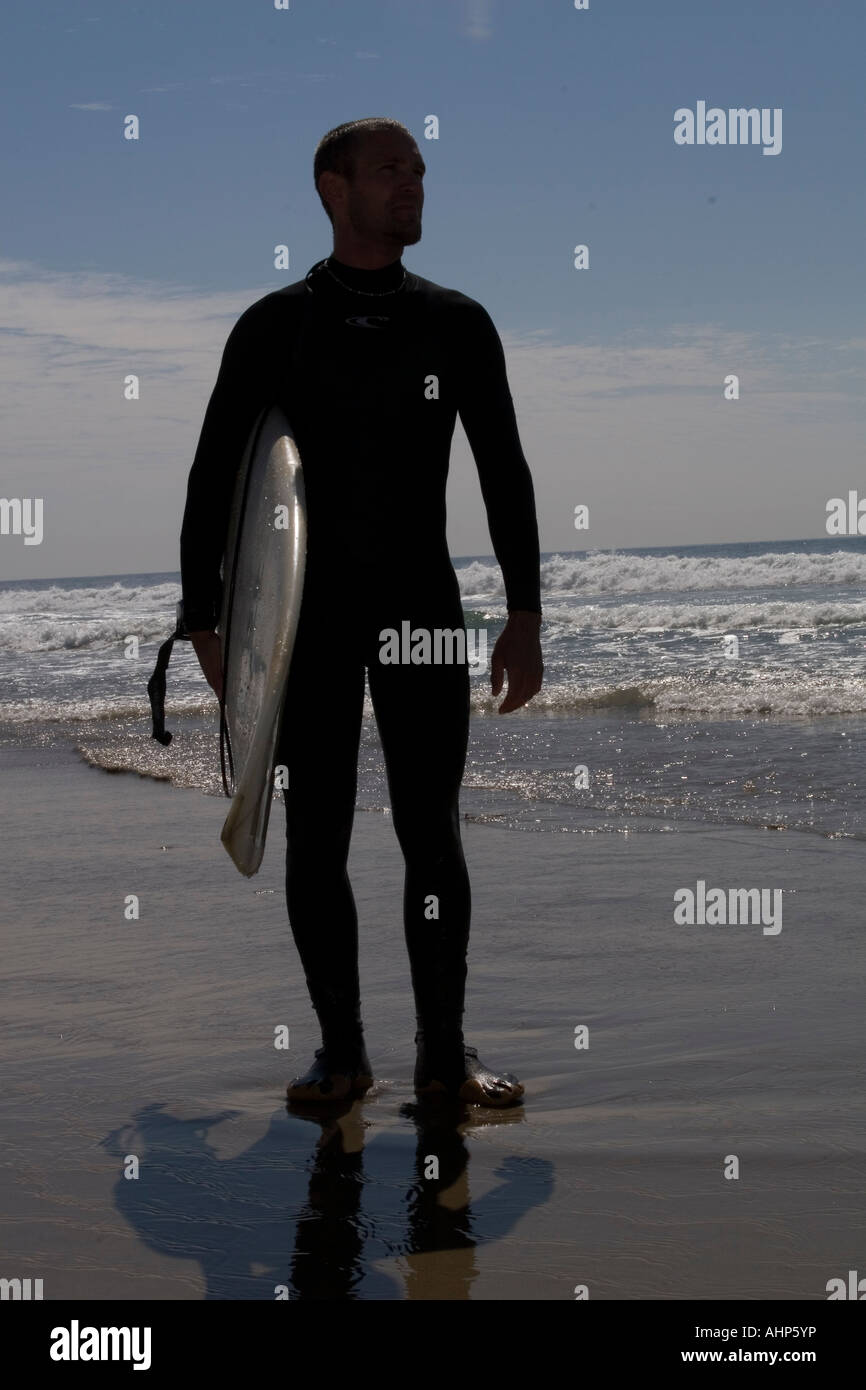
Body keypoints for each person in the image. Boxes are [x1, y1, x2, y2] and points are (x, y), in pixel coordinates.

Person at [180, 117, 543, 1107]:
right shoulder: (275, 327)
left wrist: (524, 610)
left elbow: (503, 471)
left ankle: (442, 1057)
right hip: (308, 624)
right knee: (317, 837)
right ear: (331, 189)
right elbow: (218, 477)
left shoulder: (455, 323)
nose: (412, 184)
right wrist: (205, 619)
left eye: (419, 170)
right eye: (390, 170)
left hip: (420, 609)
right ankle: (341, 1053)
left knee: (432, 834)